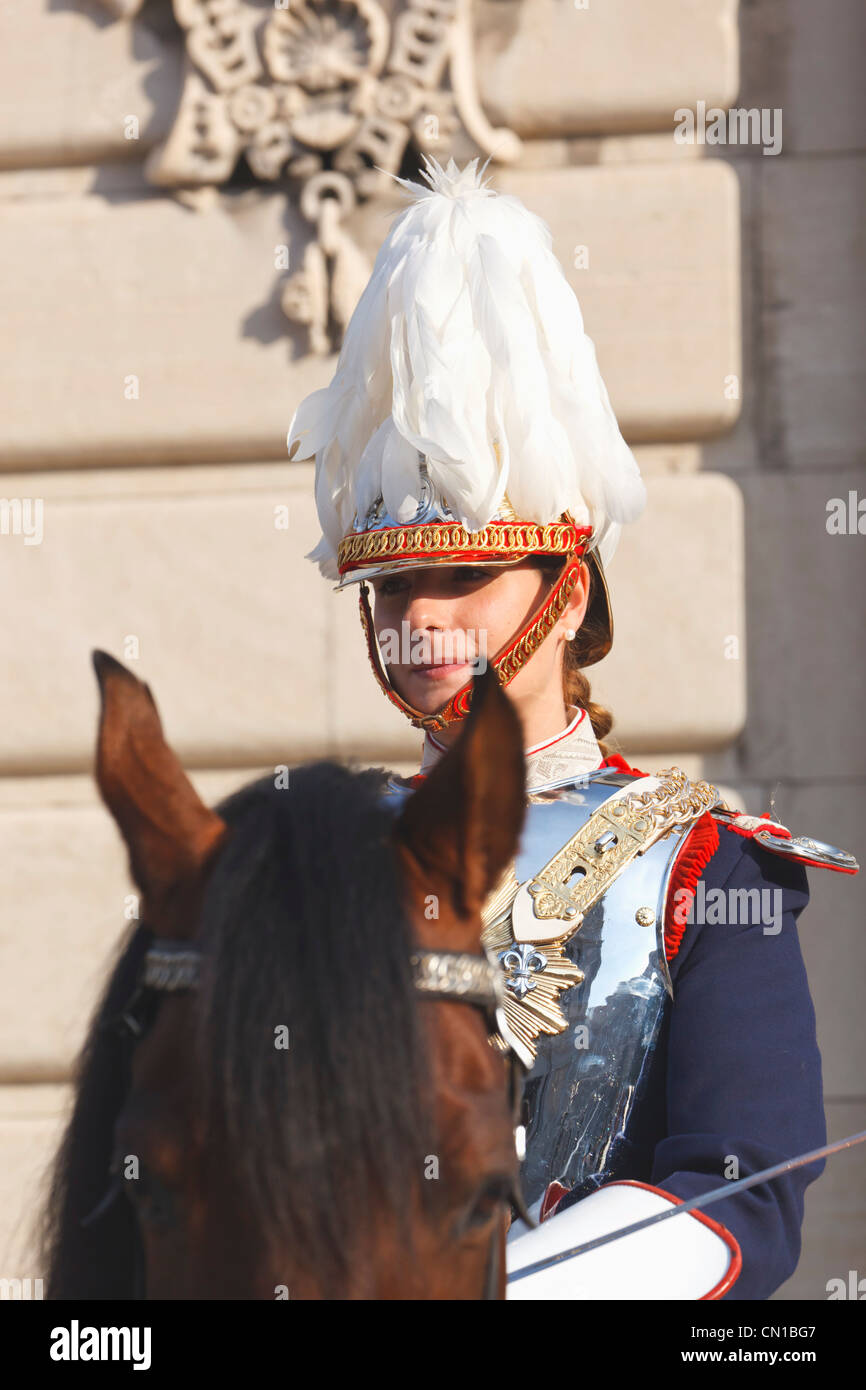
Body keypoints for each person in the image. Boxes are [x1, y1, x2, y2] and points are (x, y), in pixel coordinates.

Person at [287, 154, 859, 1299]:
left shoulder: (705, 862)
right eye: (393, 588)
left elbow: (735, 1195)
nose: (422, 616)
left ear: (571, 593)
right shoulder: (311, 859)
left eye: (466, 577)